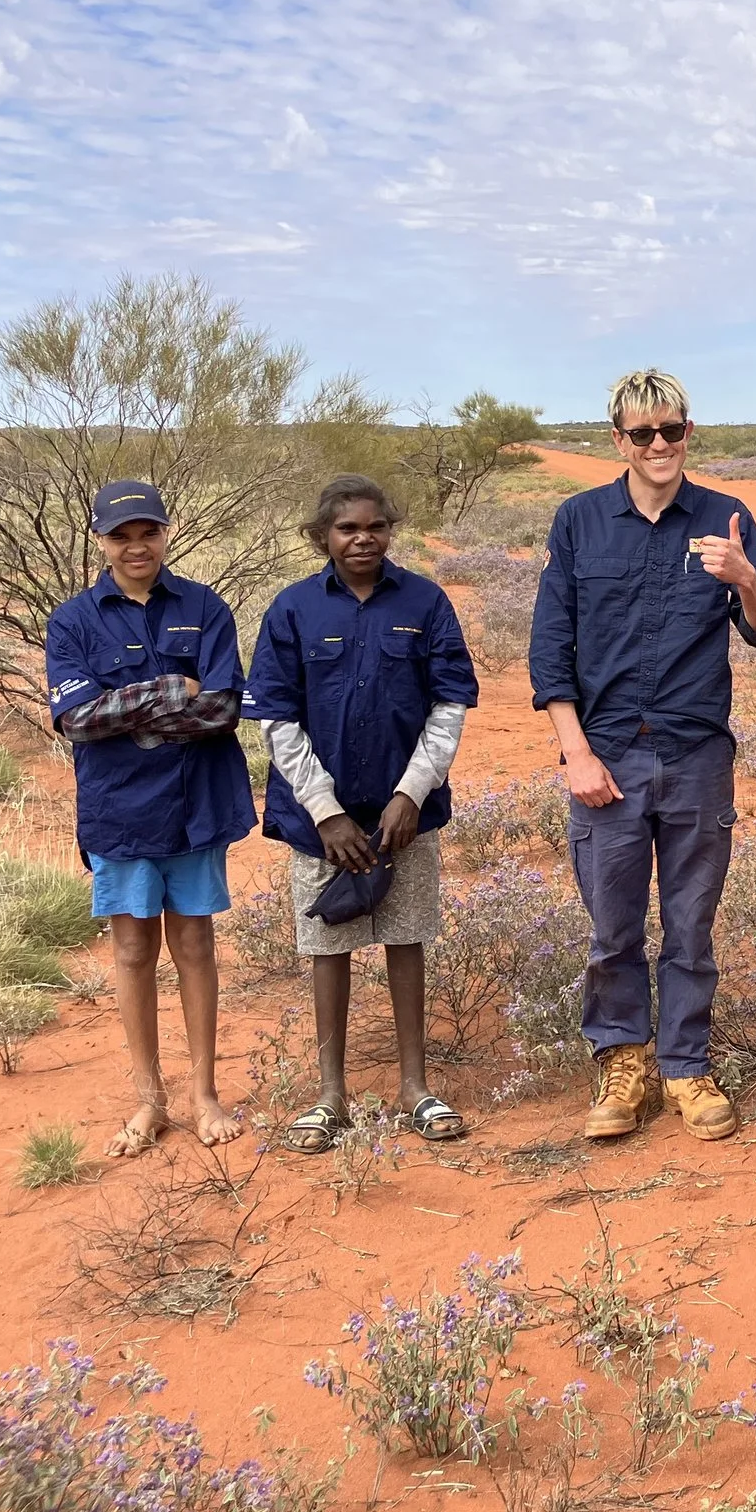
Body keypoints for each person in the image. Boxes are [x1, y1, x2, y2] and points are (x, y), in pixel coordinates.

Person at [529, 369, 756, 1144]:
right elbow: (550, 650)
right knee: (613, 926)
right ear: (618, 439)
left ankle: (685, 1064)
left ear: (688, 433)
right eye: (641, 433)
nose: (658, 445)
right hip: (606, 754)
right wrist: (575, 753)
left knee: (690, 922)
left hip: (696, 753)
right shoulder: (578, 522)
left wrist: (745, 578)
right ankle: (622, 1062)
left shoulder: (726, 517)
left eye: (670, 430)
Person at [244, 476, 480, 1152]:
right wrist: (325, 812)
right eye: (347, 528)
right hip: (322, 821)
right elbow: (277, 719)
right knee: (329, 947)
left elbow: (449, 704)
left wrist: (411, 792)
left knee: (407, 939)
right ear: (323, 535)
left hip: (405, 813)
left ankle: (415, 1086)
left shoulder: (425, 601)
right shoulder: (292, 609)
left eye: (375, 526)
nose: (363, 538)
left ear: (390, 530)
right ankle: (330, 1094)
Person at [43, 480, 254, 1158]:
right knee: (133, 952)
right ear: (100, 540)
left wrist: (126, 705)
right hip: (120, 812)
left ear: (166, 532)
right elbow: (77, 719)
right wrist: (173, 688)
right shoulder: (73, 620)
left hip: (196, 807)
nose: (137, 545)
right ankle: (149, 1098)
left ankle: (205, 1093)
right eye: (121, 534)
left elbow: (222, 710)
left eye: (148, 531)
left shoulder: (204, 606)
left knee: (195, 947)